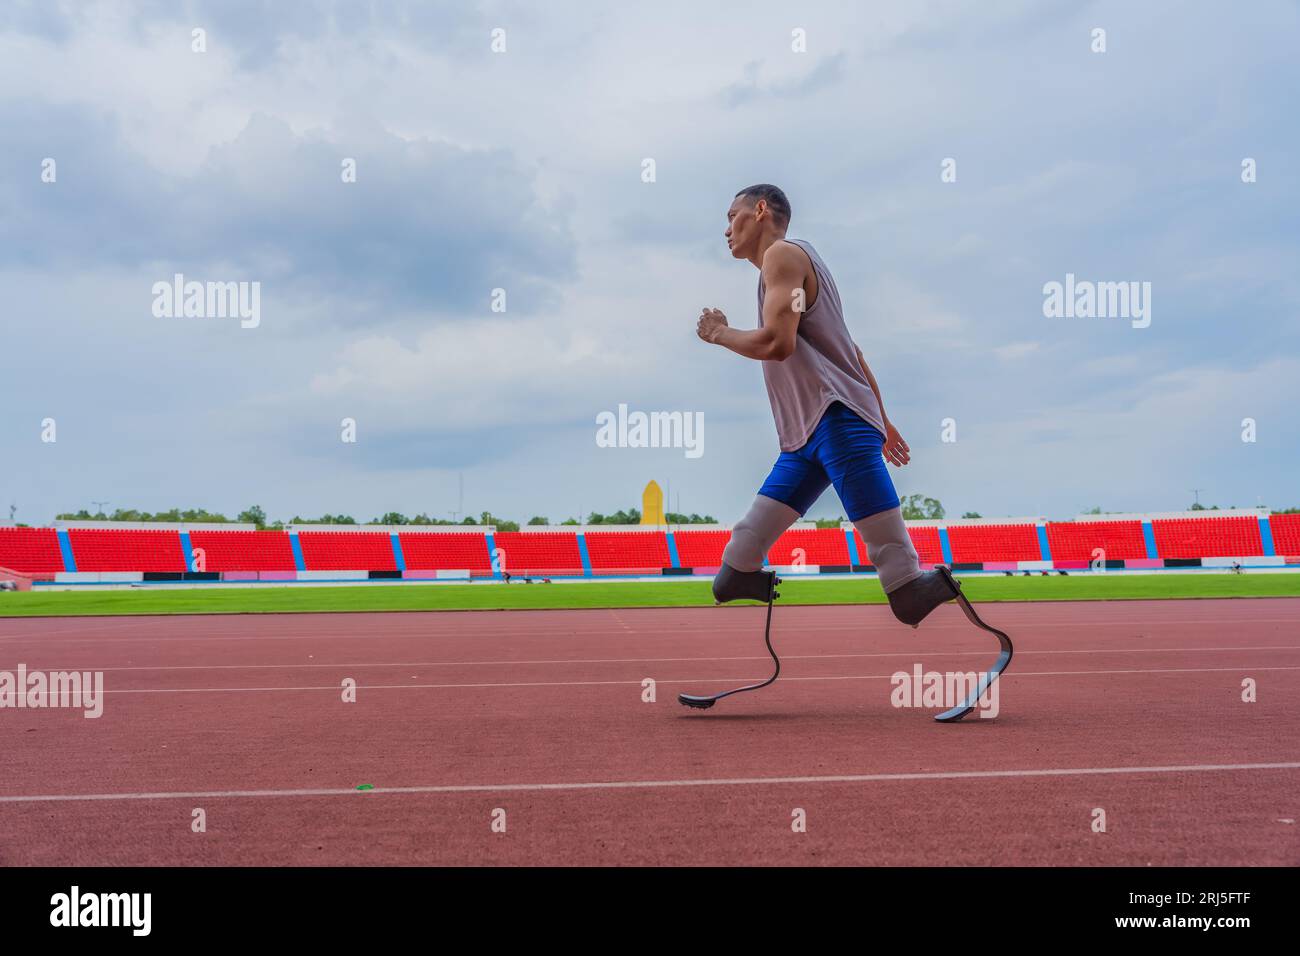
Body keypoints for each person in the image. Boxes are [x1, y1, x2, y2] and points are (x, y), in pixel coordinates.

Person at [696, 184, 961, 626]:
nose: (726, 229)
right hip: (809, 432)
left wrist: (719, 333)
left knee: (897, 572)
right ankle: (744, 577)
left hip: (834, 418)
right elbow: (850, 351)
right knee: (736, 564)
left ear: (760, 210)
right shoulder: (794, 263)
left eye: (732, 216)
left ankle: (909, 585)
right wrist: (883, 419)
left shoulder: (782, 255)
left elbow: (778, 344)